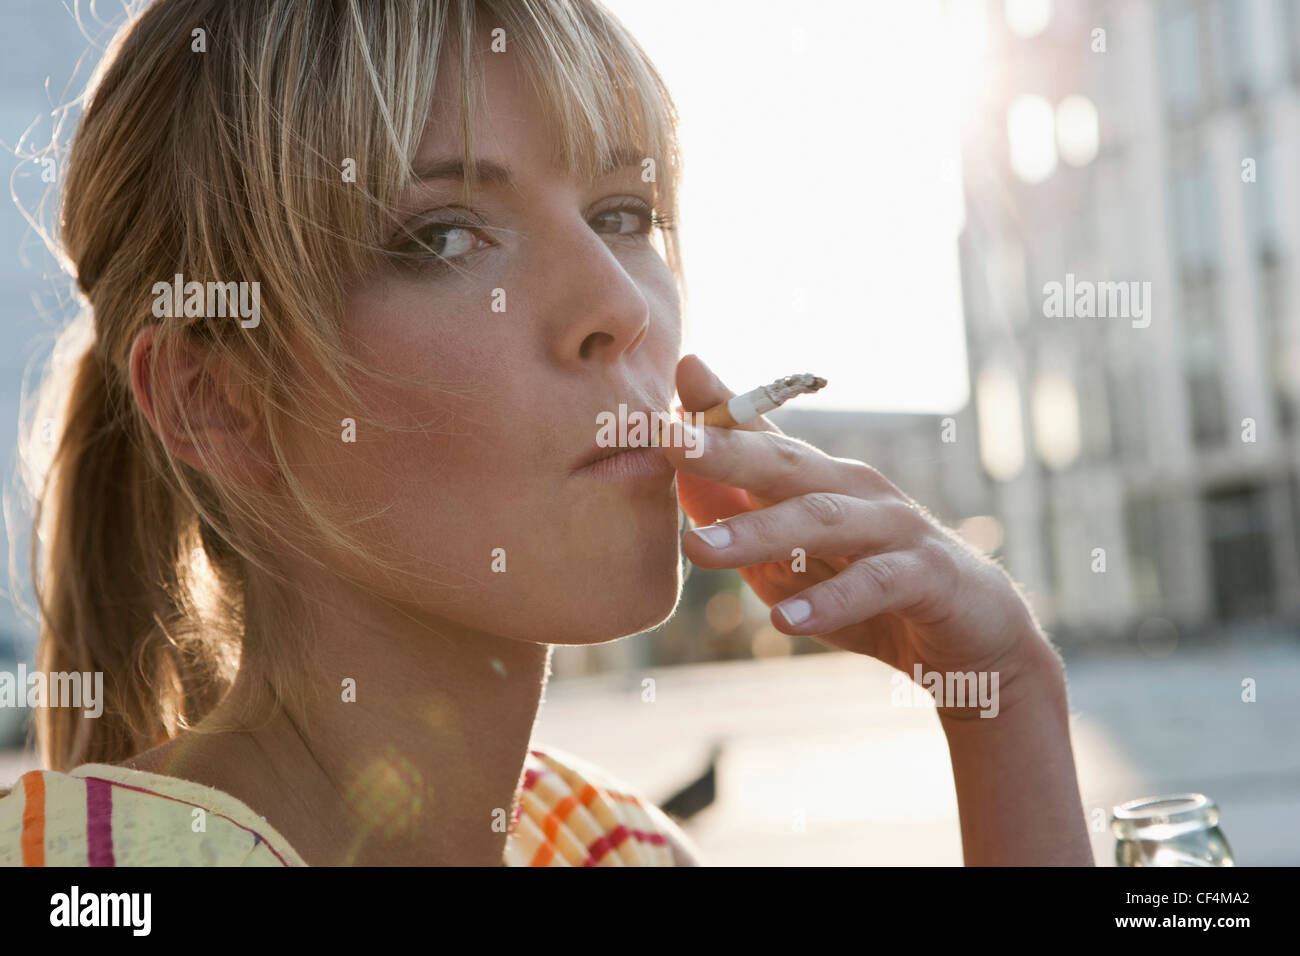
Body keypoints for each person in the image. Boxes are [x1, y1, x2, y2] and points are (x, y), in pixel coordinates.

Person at [0, 0, 1092, 866]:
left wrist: (1002, 702)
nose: (617, 302)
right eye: (440, 237)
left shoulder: (616, 845)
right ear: (214, 400)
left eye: (624, 212)